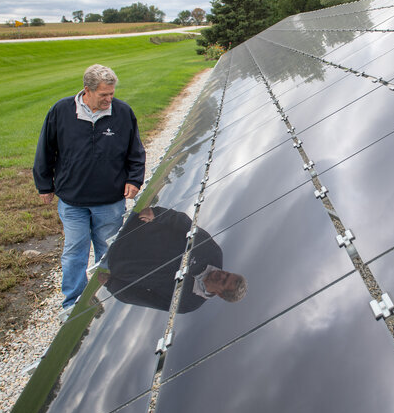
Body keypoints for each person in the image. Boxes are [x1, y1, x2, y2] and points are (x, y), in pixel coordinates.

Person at [33, 64, 146, 310]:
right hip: (72, 201)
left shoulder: (123, 113)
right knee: (75, 250)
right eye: (103, 95)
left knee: (110, 251)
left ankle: (112, 298)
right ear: (87, 90)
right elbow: (46, 149)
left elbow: (135, 152)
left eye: (112, 94)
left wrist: (134, 179)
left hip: (109, 202)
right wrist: (44, 185)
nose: (109, 99)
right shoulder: (61, 111)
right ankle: (73, 304)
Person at [104, 206, 246, 313]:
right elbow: (183, 222)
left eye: (224, 281)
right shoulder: (213, 252)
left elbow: (143, 298)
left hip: (112, 260)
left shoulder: (188, 303)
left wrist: (111, 284)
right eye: (227, 274)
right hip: (130, 225)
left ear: (220, 294)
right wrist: (157, 213)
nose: (222, 275)